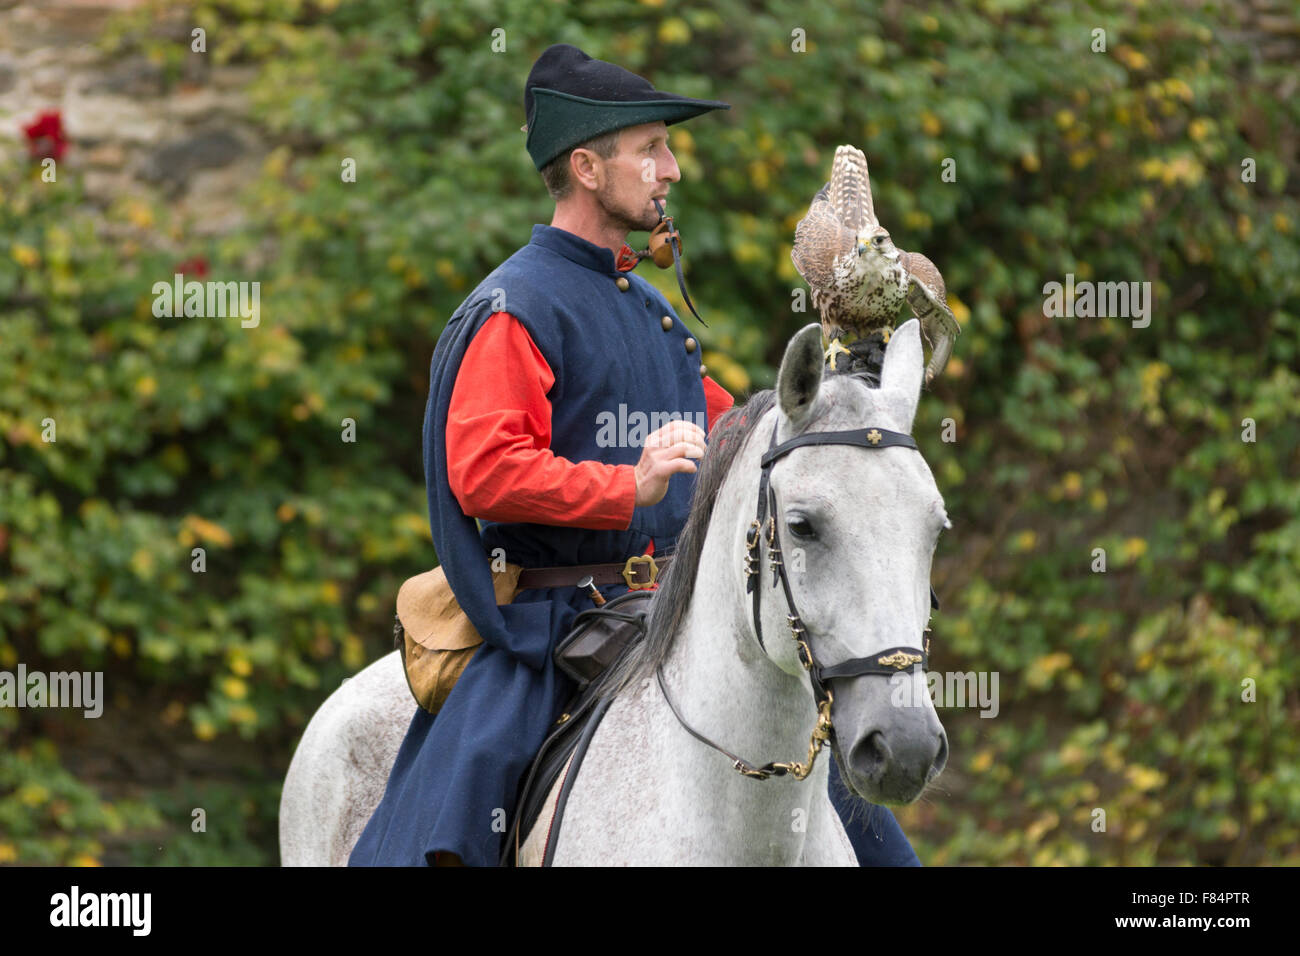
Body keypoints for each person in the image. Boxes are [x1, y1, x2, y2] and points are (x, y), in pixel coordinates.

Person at [348, 42, 919, 867]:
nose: (672, 168)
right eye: (651, 148)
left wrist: (846, 379)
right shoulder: (518, 306)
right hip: (551, 628)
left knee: (881, 851)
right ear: (585, 166)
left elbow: (741, 435)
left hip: (674, 614)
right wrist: (627, 486)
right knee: (449, 840)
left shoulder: (645, 306)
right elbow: (484, 471)